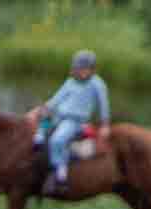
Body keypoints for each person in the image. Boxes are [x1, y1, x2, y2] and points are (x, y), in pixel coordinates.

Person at [37, 48, 109, 196]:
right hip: (60, 116)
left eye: (83, 69)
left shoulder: (96, 84)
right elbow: (57, 98)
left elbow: (104, 104)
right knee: (41, 129)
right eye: (77, 68)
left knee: (57, 140)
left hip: (75, 120)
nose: (79, 72)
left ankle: (61, 175)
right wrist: (46, 107)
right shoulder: (70, 82)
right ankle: (41, 162)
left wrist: (105, 124)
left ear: (91, 70)